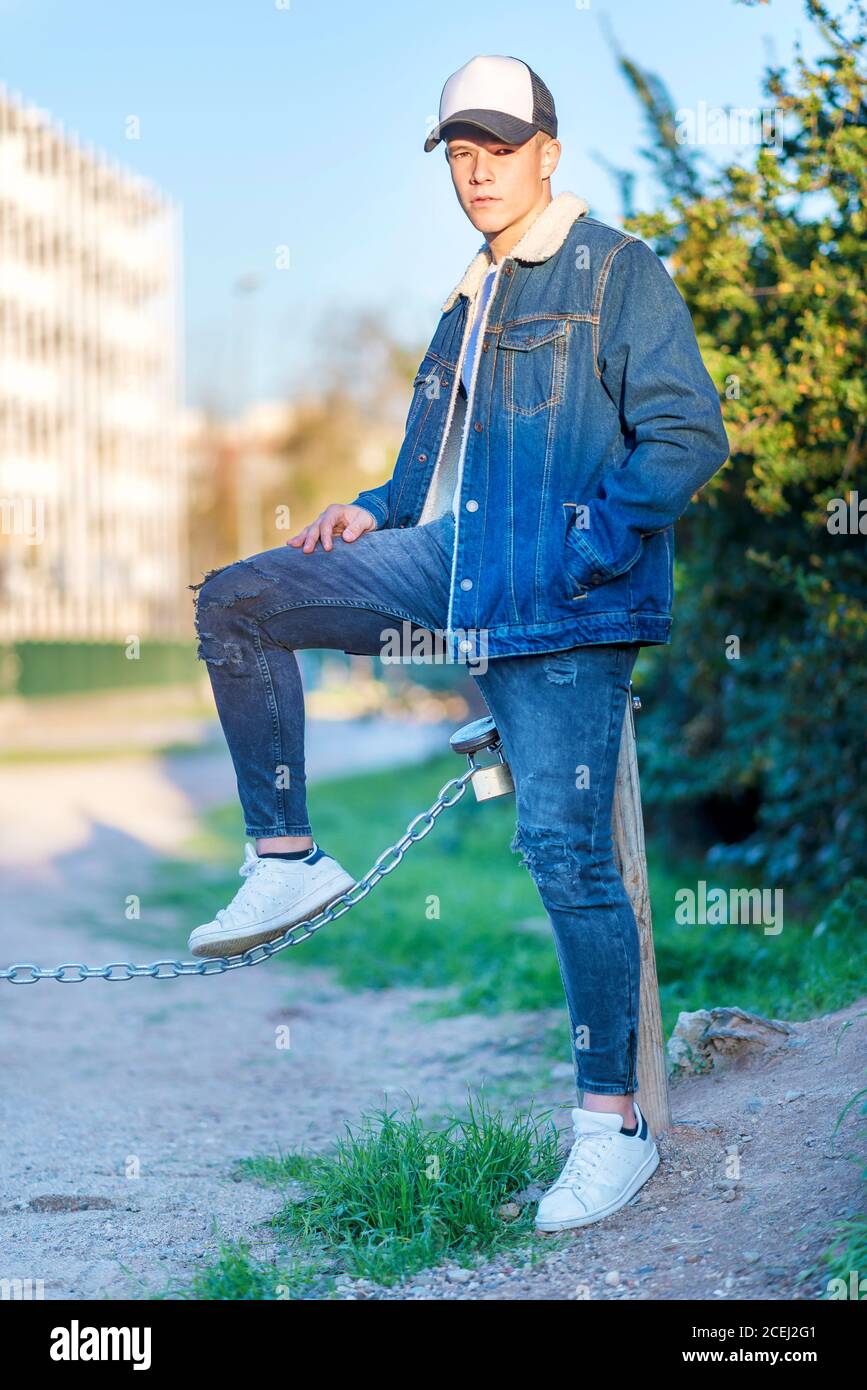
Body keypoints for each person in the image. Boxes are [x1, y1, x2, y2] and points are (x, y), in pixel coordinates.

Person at [187, 54, 730, 1232]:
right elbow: (435, 463)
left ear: (548, 149)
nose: (479, 170)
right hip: (458, 565)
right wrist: (375, 511)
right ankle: (286, 854)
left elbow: (688, 435)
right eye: (459, 152)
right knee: (236, 599)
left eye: (499, 145)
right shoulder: (465, 297)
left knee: (565, 856)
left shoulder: (615, 270)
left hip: (569, 596)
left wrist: (592, 538)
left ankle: (613, 1128)